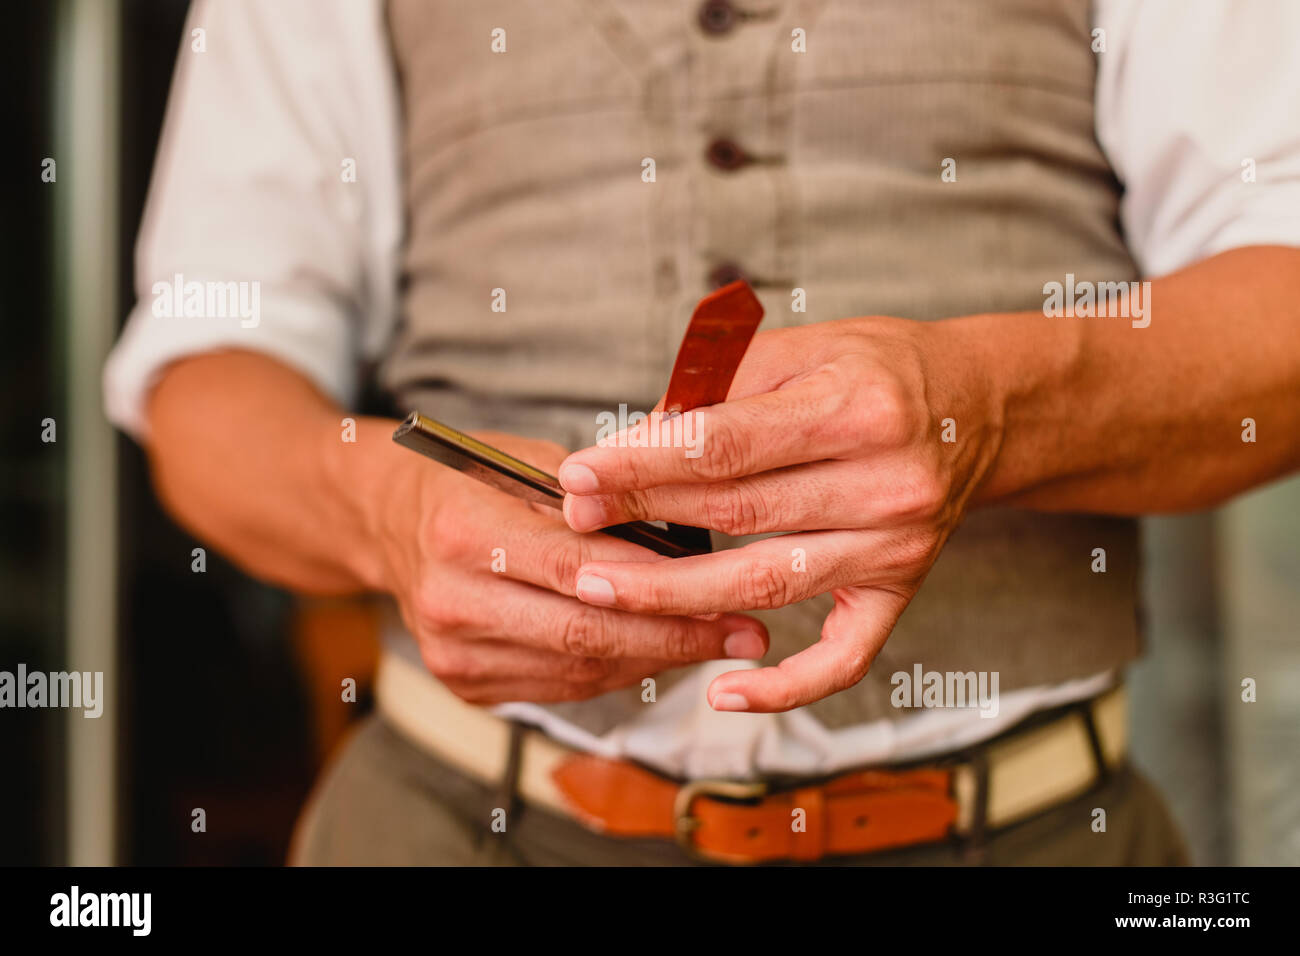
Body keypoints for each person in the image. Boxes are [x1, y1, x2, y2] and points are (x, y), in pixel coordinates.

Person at [105, 0, 1300, 865]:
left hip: (1038, 834)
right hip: (454, 828)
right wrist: (385, 511)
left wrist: (986, 408)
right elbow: (209, 375)